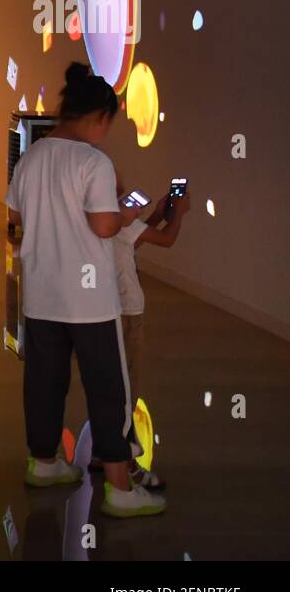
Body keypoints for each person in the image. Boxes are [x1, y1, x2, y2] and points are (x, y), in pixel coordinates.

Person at [5, 62, 163, 518]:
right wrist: (125, 216)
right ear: (98, 118)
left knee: (44, 381)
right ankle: (119, 488)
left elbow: (15, 214)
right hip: (89, 302)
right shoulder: (94, 162)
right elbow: (102, 224)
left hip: (41, 294)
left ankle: (45, 462)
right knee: (107, 387)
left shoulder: (32, 156)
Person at [112, 178, 192, 490]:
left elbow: (134, 240)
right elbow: (167, 241)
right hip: (129, 314)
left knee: (115, 386)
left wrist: (158, 214)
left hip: (114, 310)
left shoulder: (108, 222)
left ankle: (104, 453)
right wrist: (179, 212)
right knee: (128, 391)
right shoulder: (117, 219)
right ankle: (126, 464)